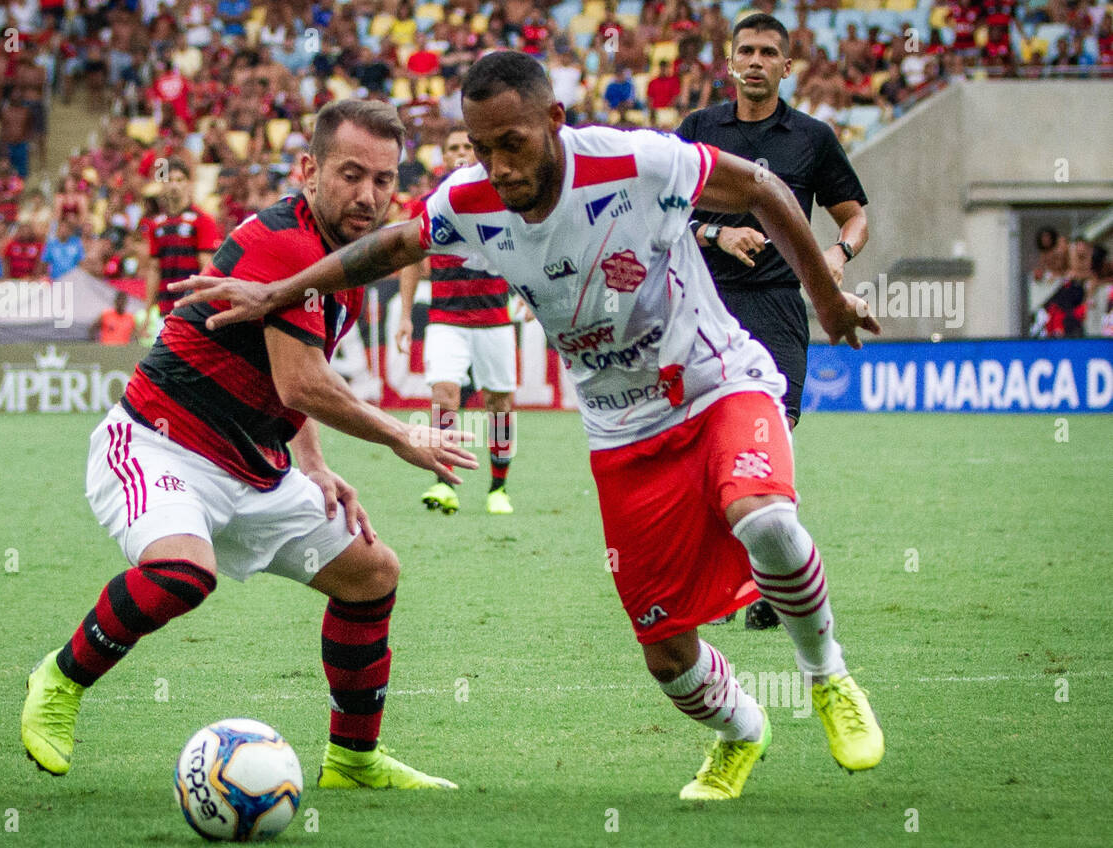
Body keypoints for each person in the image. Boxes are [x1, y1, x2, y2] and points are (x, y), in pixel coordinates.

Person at [174, 54, 886, 800]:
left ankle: (826, 676)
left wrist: (825, 298)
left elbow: (764, 187)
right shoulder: (473, 198)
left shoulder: (638, 160)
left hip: (716, 383)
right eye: (481, 148)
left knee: (762, 513)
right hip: (621, 430)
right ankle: (742, 731)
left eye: (511, 143)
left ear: (554, 122)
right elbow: (390, 247)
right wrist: (279, 291)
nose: (497, 167)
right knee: (667, 654)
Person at [21, 100, 475, 790]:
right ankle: (59, 677)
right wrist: (400, 435)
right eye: (351, 174)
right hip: (158, 445)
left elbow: (292, 375)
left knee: (370, 575)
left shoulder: (341, 261)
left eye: (384, 180)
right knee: (183, 574)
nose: (368, 195)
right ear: (307, 170)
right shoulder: (286, 244)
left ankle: (353, 762)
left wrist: (316, 465)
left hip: (250, 465)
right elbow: (302, 386)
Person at [679, 13, 870, 631]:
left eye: (768, 52)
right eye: (746, 51)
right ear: (730, 64)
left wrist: (837, 255)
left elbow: (854, 217)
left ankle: (769, 580)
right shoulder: (699, 130)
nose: (756, 61)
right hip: (701, 303)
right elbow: (660, 213)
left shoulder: (811, 138)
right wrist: (716, 231)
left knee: (771, 438)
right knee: (703, 442)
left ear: (788, 67)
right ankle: (716, 578)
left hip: (778, 307)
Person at [396, 126, 519, 516]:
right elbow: (410, 261)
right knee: (444, 397)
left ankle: (498, 488)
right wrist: (403, 316)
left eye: (469, 145)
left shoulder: (503, 202)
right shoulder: (426, 206)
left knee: (499, 404)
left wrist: (536, 295)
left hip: (495, 319)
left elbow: (527, 248)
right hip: (445, 319)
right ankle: (443, 482)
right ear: (443, 158)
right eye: (454, 148)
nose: (462, 152)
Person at [146, 158, 220, 325]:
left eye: (179, 180)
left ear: (189, 184)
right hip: (164, 310)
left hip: (193, 307)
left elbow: (207, 267)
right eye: (169, 180)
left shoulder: (203, 221)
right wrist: (147, 310)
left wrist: (209, 306)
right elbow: (154, 270)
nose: (174, 185)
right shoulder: (156, 225)